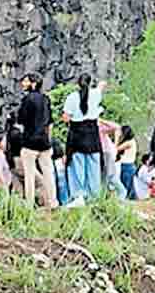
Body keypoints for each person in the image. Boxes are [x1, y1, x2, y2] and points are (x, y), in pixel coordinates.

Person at [16, 73, 57, 208]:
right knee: (48, 173)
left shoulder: (27, 99)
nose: (23, 83)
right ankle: (52, 201)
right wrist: (49, 140)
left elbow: (21, 120)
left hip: (30, 141)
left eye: (26, 81)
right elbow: (50, 122)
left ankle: (29, 204)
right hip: (44, 142)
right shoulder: (46, 99)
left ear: (33, 83)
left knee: (29, 174)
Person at [63, 74, 105, 202]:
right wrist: (100, 84)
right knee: (94, 165)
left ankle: (78, 196)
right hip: (92, 134)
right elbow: (101, 86)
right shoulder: (96, 94)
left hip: (77, 134)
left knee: (77, 166)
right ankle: (94, 196)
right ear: (90, 83)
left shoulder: (71, 97)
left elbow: (66, 118)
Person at [98, 119, 126, 199]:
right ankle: (102, 197)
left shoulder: (99, 126)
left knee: (111, 175)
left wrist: (101, 120)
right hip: (98, 153)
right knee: (102, 177)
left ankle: (122, 192)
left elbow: (116, 127)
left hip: (106, 152)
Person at [116, 126, 137, 199]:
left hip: (127, 166)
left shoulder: (129, 142)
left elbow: (116, 149)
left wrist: (117, 137)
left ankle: (128, 200)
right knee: (129, 186)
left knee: (126, 186)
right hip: (128, 166)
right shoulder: (131, 141)